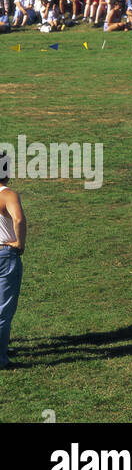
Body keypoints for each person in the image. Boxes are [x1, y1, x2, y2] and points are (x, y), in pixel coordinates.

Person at [0, 158, 25, 369]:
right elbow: (18, 219)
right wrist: (20, 242)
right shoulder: (8, 195)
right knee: (3, 310)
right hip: (4, 255)